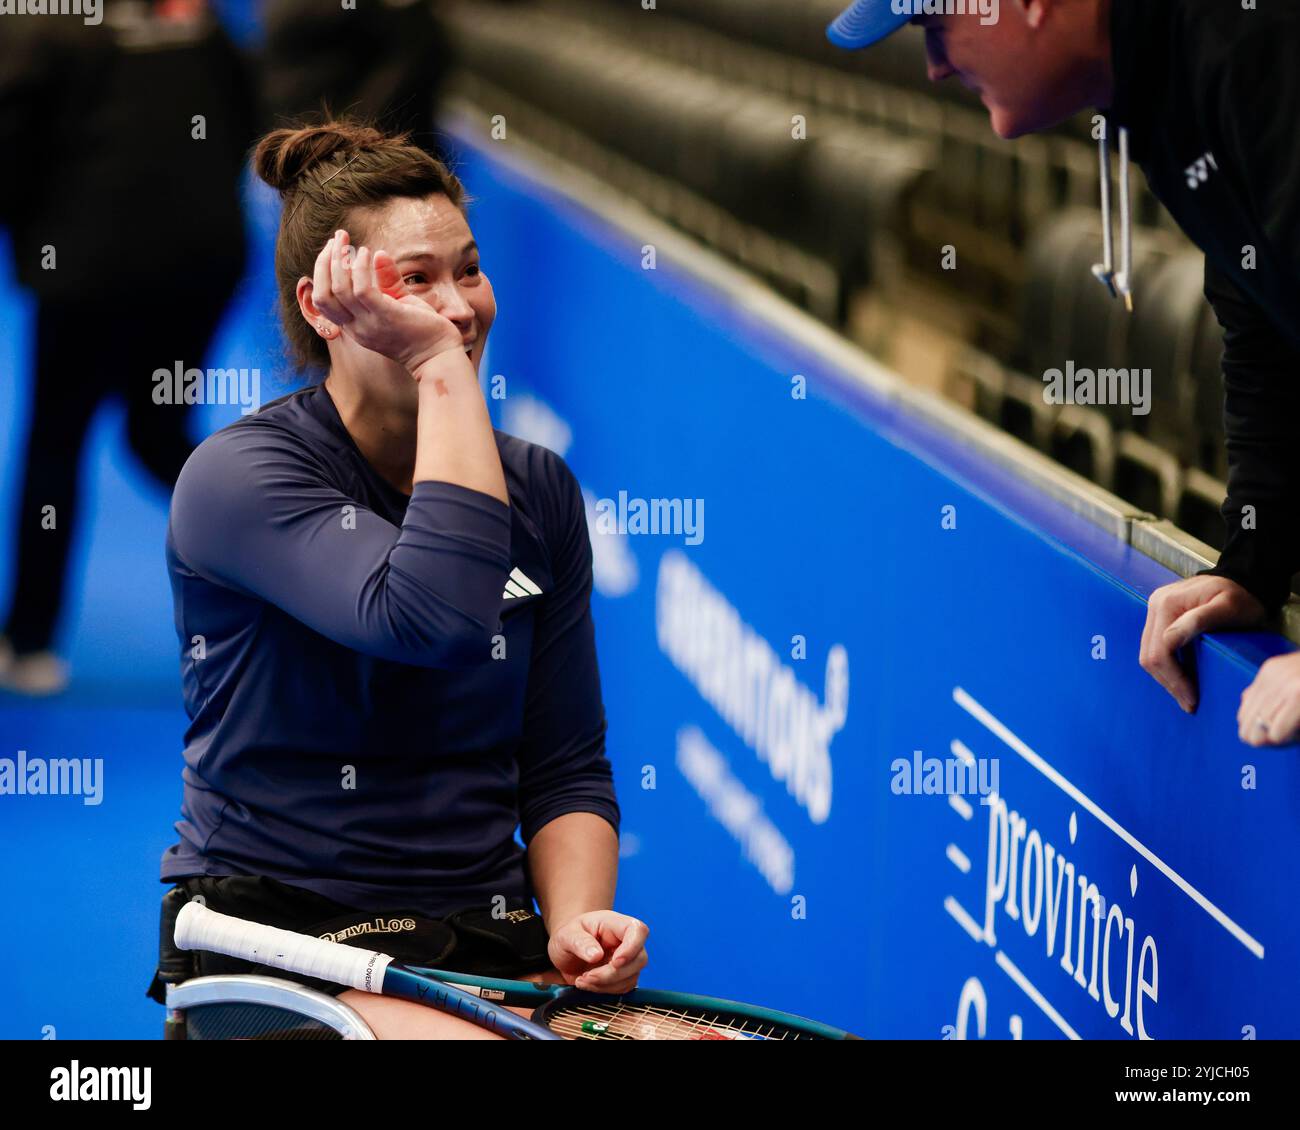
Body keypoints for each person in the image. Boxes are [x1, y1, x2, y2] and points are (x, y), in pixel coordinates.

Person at [147, 121, 647, 1038]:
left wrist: (575, 921)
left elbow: (564, 765)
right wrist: (438, 365)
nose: (459, 308)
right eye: (415, 281)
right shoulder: (237, 480)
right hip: (280, 931)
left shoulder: (537, 490)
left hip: (476, 935)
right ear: (325, 307)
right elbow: (432, 617)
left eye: (468, 270)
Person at [826, 0, 1300, 746]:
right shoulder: (1162, 77)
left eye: (936, 27)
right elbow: (1263, 327)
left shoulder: (1250, 41)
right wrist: (1251, 563)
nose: (936, 65)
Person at [0, 0, 251, 694]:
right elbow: (241, 126)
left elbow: (11, 151)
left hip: (89, 269)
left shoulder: (41, 33)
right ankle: (299, 553)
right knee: (155, 431)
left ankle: (29, 644)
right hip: (200, 262)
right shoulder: (206, 34)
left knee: (56, 439)